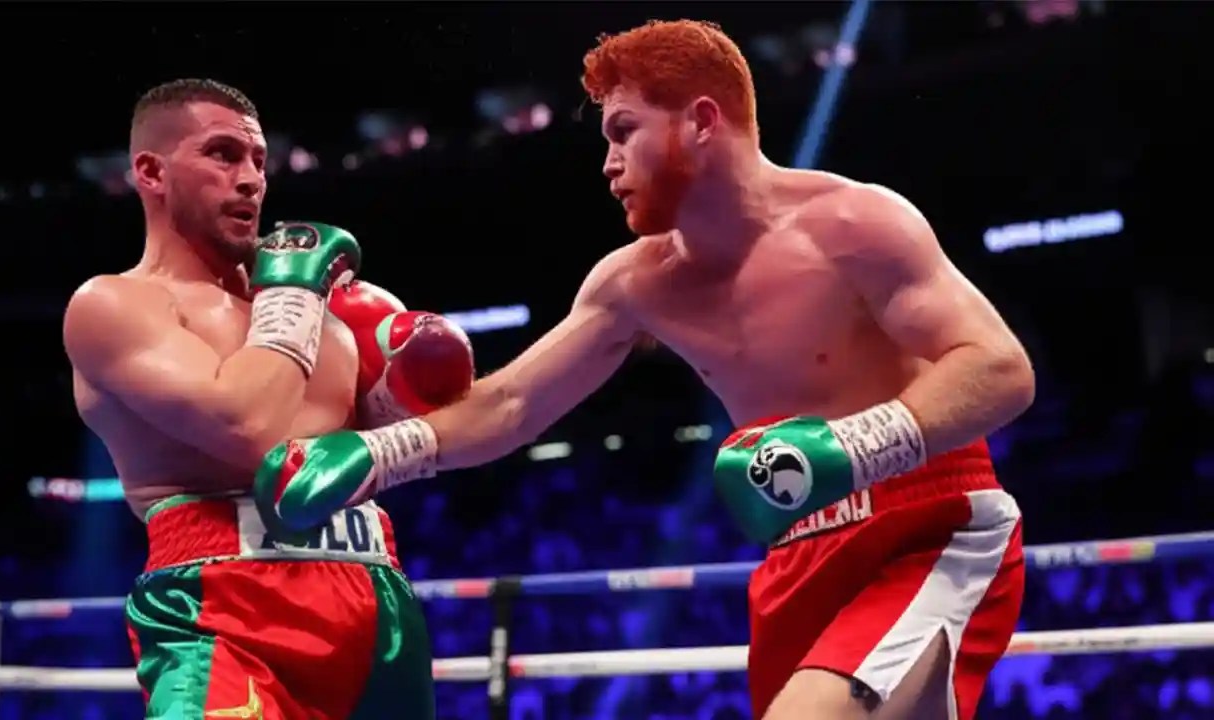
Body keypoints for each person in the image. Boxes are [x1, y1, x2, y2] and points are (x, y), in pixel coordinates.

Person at [258, 19, 1035, 720]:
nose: (609, 164)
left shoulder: (854, 223)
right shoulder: (635, 282)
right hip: (798, 546)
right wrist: (376, 454)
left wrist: (852, 448)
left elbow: (1000, 368)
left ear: (702, 120)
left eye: (624, 132)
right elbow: (511, 403)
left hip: (928, 525)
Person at [61, 78, 473, 719]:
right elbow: (250, 428)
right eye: (223, 155)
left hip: (374, 598)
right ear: (151, 172)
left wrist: (408, 390)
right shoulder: (116, 304)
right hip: (218, 600)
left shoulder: (336, 317)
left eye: (259, 160)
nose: (251, 179)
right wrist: (292, 294)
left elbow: (406, 441)